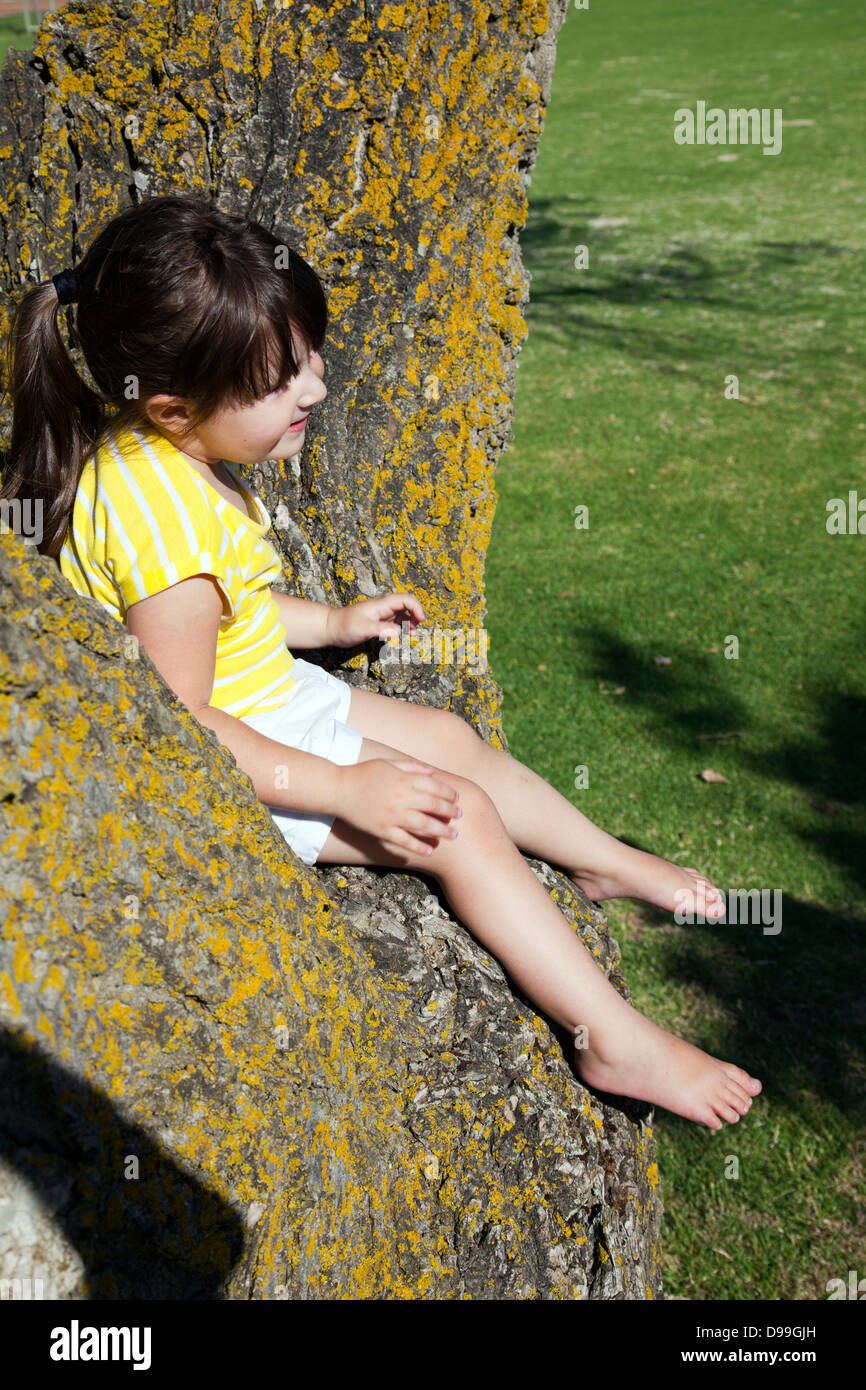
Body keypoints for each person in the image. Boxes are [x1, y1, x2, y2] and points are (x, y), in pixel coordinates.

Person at [2, 193, 762, 1130]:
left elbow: (224, 613)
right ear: (173, 406)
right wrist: (342, 790)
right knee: (459, 818)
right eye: (280, 381)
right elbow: (182, 717)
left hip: (269, 702)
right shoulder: (161, 518)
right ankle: (611, 1037)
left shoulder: (171, 457)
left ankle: (605, 863)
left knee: (446, 736)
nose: (315, 388)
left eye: (308, 357)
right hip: (243, 764)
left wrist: (327, 622)